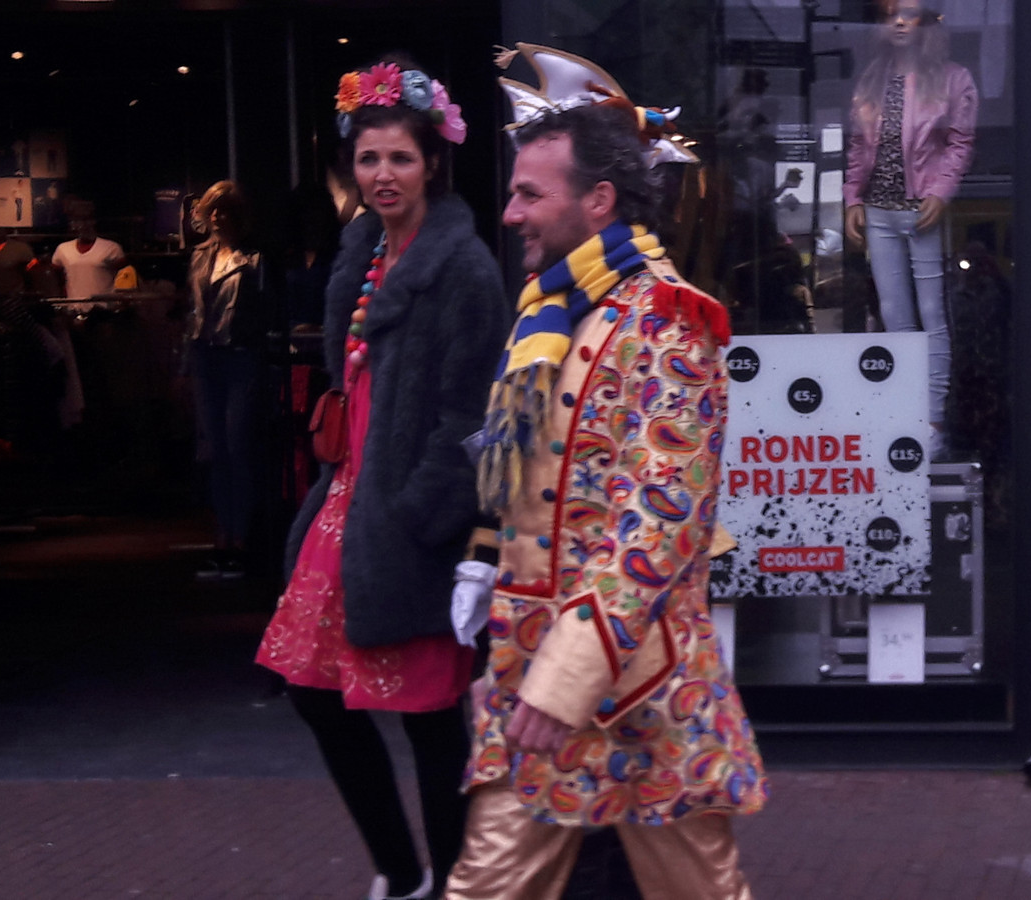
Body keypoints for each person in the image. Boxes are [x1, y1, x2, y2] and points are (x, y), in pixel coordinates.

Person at [446, 45, 767, 900]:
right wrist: (486, 556)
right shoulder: (553, 312)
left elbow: (657, 525)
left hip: (639, 694)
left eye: (528, 194)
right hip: (531, 682)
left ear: (599, 202)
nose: (510, 213)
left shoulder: (666, 323)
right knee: (485, 886)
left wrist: (562, 682)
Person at [254, 58, 507, 900]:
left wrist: (416, 516)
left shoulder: (465, 268)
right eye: (368, 160)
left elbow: (471, 421)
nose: (382, 175)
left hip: (404, 521)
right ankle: (402, 872)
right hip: (345, 508)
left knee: (432, 720)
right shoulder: (364, 250)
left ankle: (455, 886)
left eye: (399, 158)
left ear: (433, 160)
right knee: (315, 696)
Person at [844, 0, 977, 455]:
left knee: (932, 317)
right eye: (889, 14)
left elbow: (959, 142)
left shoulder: (952, 79)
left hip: (922, 210)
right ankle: (907, 413)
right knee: (895, 314)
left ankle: (934, 422)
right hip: (879, 211)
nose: (899, 21)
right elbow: (859, 148)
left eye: (910, 13)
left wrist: (941, 190)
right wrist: (852, 199)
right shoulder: (872, 80)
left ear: (926, 23)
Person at [185, 181, 270, 579]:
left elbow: (267, 310)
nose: (217, 216)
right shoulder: (200, 256)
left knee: (238, 449)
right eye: (213, 209)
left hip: (240, 358)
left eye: (224, 210)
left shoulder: (254, 258)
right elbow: (192, 313)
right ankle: (222, 536)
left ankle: (241, 539)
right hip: (207, 359)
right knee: (216, 452)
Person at [51, 214, 126, 299]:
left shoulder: (112, 248)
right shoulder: (63, 249)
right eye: (78, 222)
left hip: (104, 307)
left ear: (94, 223)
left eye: (86, 221)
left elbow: (125, 276)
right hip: (74, 307)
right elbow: (55, 277)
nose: (83, 226)